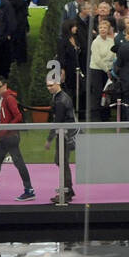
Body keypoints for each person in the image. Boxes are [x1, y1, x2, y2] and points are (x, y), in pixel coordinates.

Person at [45, 74, 77, 204]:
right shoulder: (61, 97)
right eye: (47, 85)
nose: (49, 88)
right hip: (66, 135)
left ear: (58, 84)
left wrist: (49, 139)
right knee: (62, 162)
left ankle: (67, 191)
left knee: (62, 162)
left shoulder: (60, 100)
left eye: (51, 85)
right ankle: (68, 190)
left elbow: (57, 121)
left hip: (65, 136)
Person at [88, 19, 118, 122]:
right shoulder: (95, 42)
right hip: (97, 70)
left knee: (107, 93)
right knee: (97, 93)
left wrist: (111, 69)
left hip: (108, 70)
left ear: (109, 29)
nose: (102, 30)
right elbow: (97, 59)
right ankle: (95, 117)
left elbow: (113, 55)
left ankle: (105, 115)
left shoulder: (111, 41)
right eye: (100, 28)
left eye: (105, 28)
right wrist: (106, 69)